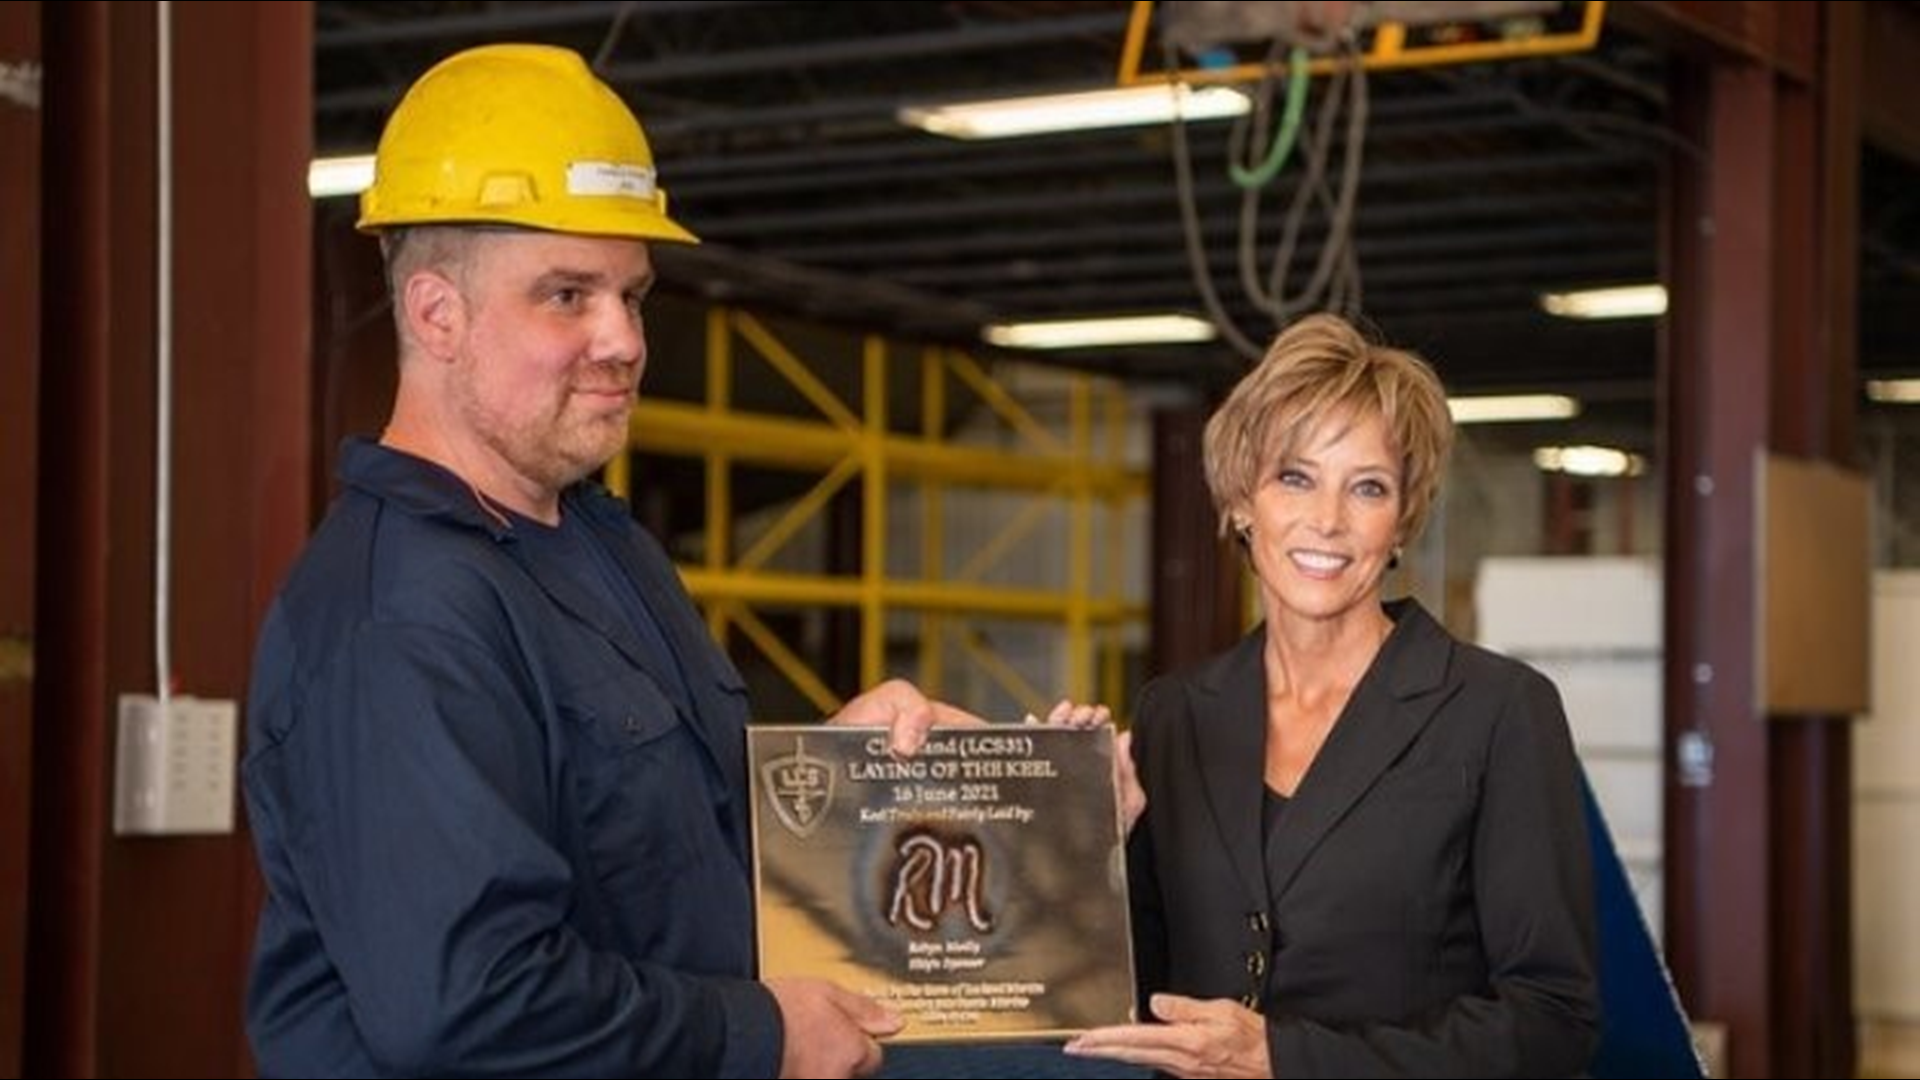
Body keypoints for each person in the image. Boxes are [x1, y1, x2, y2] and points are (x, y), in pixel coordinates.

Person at [242, 43, 1041, 1079]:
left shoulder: (596, 542)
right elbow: (471, 1005)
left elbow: (669, 851)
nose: (623, 339)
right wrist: (763, 1034)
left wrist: (827, 779)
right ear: (438, 314)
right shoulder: (402, 617)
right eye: (567, 295)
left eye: (633, 293)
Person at [1063, 313, 1599, 1078]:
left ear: (1402, 521)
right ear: (1241, 500)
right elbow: (1135, 998)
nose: (1327, 520)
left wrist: (1288, 1058)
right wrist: (1092, 851)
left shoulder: (1498, 711)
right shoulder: (1172, 715)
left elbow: (1553, 1022)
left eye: (1368, 488)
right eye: (1296, 477)